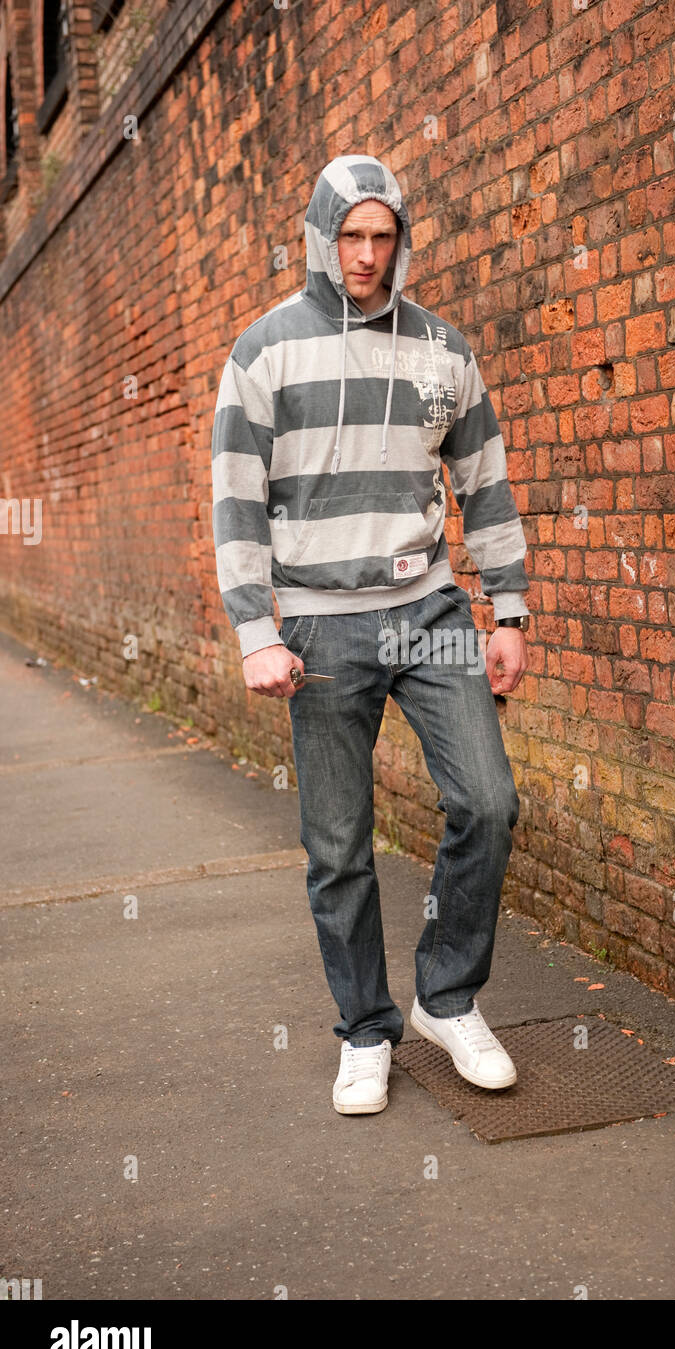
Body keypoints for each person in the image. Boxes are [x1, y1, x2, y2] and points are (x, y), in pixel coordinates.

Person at [211, 155, 530, 1115]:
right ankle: (364, 1029)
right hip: (317, 627)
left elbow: (486, 483)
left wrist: (506, 609)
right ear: (320, 237)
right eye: (349, 236)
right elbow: (235, 502)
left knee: (488, 802)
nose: (365, 255)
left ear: (402, 239)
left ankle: (447, 998)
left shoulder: (443, 350)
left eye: (381, 236)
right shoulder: (264, 351)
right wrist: (255, 629)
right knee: (339, 844)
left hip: (429, 610)